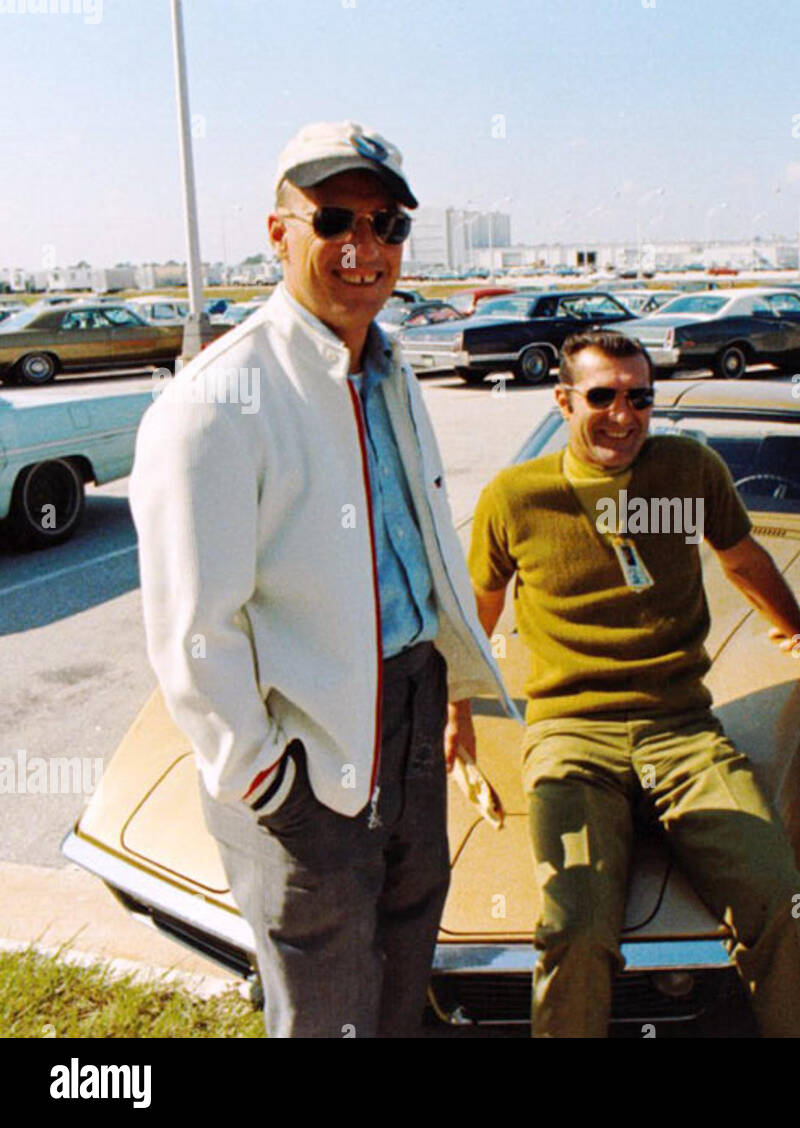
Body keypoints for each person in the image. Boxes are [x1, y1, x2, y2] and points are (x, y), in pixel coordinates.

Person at [130, 121, 515, 1037]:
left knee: (400, 971)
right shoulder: (219, 401)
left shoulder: (389, 371)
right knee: (323, 1005)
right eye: (334, 217)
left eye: (386, 224)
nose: (363, 247)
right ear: (279, 236)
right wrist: (271, 787)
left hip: (412, 715)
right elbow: (193, 637)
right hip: (306, 755)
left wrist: (449, 690)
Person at [467, 329, 800, 1037]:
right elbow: (478, 614)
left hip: (681, 729)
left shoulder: (689, 469)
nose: (623, 415)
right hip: (570, 736)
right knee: (572, 927)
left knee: (782, 898)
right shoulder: (515, 497)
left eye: (639, 398)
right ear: (563, 400)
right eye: (602, 397)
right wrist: (453, 712)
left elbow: (743, 561)